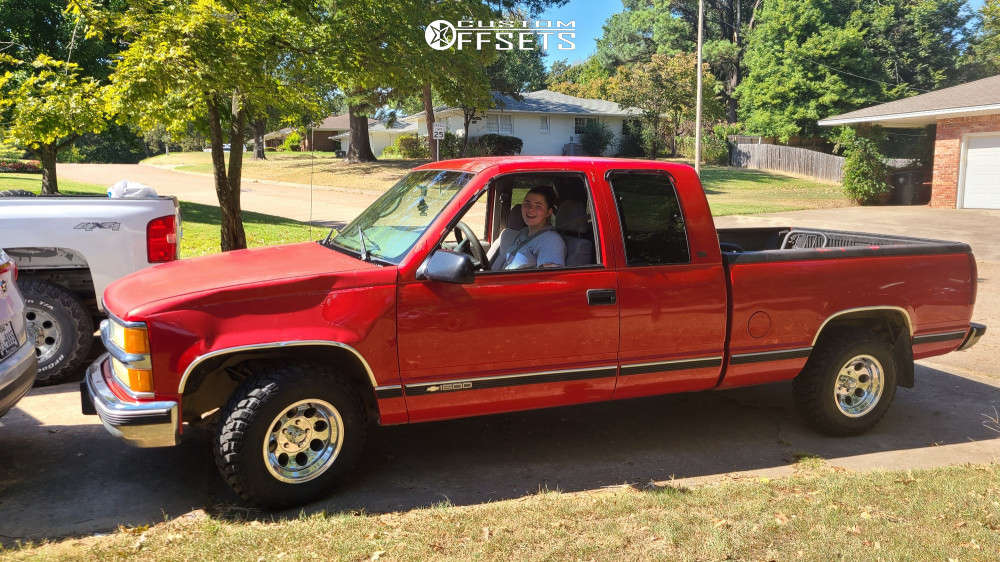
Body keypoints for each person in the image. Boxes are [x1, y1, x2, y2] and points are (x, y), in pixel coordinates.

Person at [491, 186, 566, 270]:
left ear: (548, 212)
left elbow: (548, 280)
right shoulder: (524, 232)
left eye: (538, 206)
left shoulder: (551, 241)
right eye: (527, 204)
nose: (530, 209)